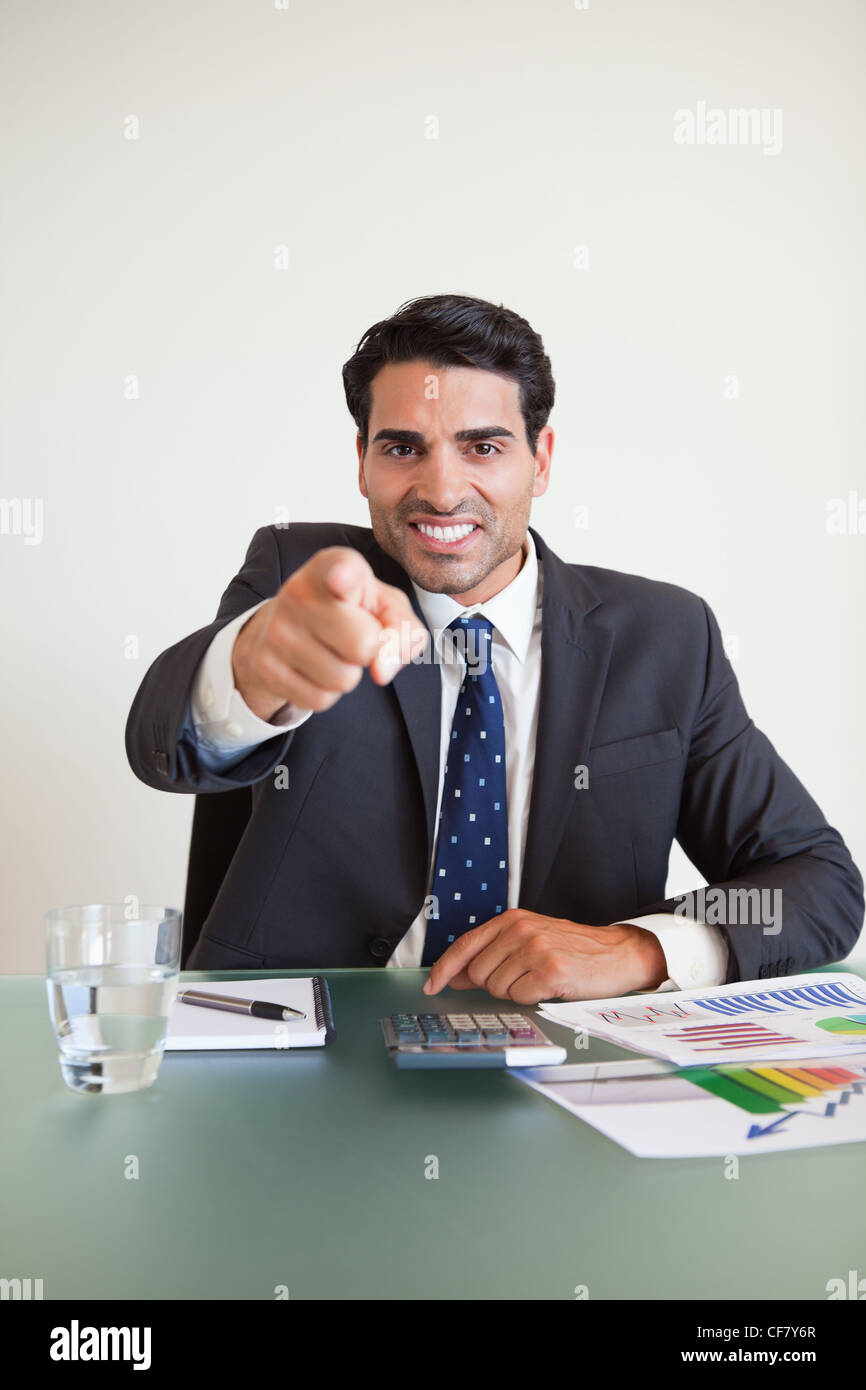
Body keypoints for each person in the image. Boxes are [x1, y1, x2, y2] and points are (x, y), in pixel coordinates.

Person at [125, 293, 863, 1002]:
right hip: (303, 1059)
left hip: (565, 1064)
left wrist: (641, 948)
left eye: (483, 446)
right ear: (361, 462)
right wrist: (250, 665)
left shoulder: (666, 639)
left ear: (541, 460)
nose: (442, 491)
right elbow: (163, 746)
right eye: (403, 448)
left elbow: (816, 881)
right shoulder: (305, 583)